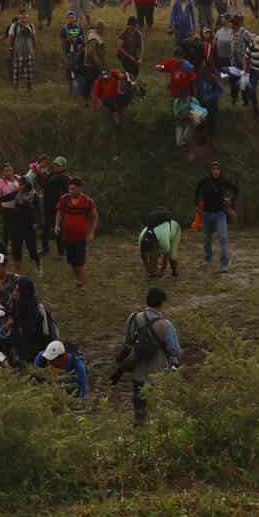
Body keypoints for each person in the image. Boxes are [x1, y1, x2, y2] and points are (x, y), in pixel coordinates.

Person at [114, 288, 182, 424]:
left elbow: (127, 343)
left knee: (140, 411)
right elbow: (174, 351)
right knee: (159, 411)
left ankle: (141, 436)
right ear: (162, 303)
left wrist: (122, 362)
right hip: (159, 374)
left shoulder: (134, 319)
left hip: (138, 373)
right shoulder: (166, 325)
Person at [194, 161, 239, 273]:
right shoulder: (204, 181)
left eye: (217, 169)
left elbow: (236, 190)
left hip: (220, 214)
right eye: (213, 169)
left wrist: (231, 201)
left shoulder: (224, 181)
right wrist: (197, 204)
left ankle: (224, 264)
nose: (215, 171)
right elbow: (196, 191)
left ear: (220, 170)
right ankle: (208, 259)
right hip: (207, 214)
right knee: (207, 239)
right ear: (211, 170)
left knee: (223, 238)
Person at [55, 177, 98, 289]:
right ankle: (78, 280)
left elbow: (94, 216)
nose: (70, 191)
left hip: (80, 237)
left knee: (79, 263)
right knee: (72, 262)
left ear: (79, 188)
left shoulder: (88, 201)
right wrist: (57, 225)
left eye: (73, 189)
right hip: (67, 236)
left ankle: (84, 284)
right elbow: (59, 212)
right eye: (69, 189)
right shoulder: (64, 199)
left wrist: (92, 232)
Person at [6, 276, 58, 365]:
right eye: (14, 289)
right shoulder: (18, 303)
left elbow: (29, 335)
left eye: (17, 291)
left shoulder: (34, 311)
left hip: (37, 348)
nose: (14, 293)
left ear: (25, 292)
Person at [40, 157, 70, 258]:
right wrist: (39, 175)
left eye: (58, 165)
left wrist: (62, 204)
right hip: (47, 205)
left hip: (57, 207)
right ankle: (45, 249)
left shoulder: (64, 177)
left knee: (58, 229)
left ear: (63, 167)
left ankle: (61, 252)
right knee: (45, 228)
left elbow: (67, 193)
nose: (56, 167)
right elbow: (44, 185)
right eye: (55, 164)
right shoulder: (51, 174)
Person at [139, 207, 181, 279]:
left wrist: (162, 271)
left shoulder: (163, 240)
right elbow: (143, 256)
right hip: (158, 235)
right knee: (153, 255)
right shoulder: (142, 238)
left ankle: (174, 271)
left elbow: (166, 256)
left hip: (175, 229)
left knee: (172, 255)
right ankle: (153, 273)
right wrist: (148, 269)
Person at [7, 10, 38, 93]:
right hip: (18, 52)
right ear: (19, 16)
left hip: (29, 52)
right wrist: (10, 50)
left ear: (27, 16)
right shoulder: (14, 26)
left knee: (29, 72)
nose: (24, 17)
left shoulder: (31, 26)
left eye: (25, 15)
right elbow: (10, 39)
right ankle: (15, 90)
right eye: (22, 15)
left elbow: (34, 39)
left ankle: (29, 89)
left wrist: (35, 49)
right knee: (17, 72)